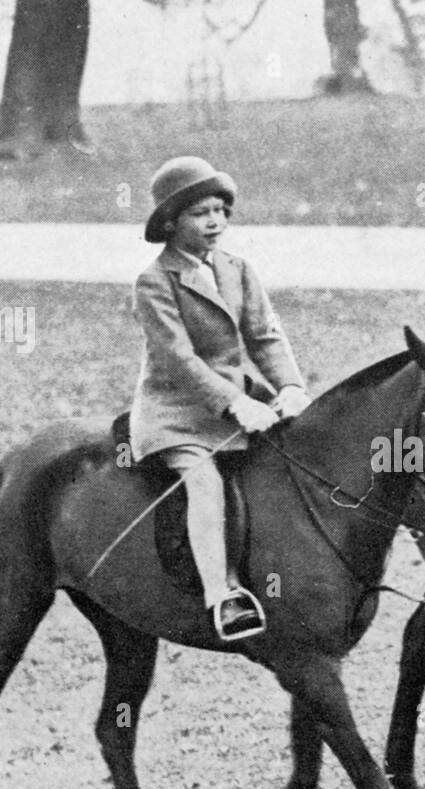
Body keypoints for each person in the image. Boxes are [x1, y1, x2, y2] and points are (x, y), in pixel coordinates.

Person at [129, 156, 311, 639]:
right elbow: (179, 360)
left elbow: (266, 337)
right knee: (205, 481)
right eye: (201, 213)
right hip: (178, 414)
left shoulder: (238, 269)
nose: (216, 222)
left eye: (221, 211)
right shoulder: (155, 282)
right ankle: (223, 596)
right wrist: (234, 403)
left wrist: (289, 387)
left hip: (243, 404)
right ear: (171, 223)